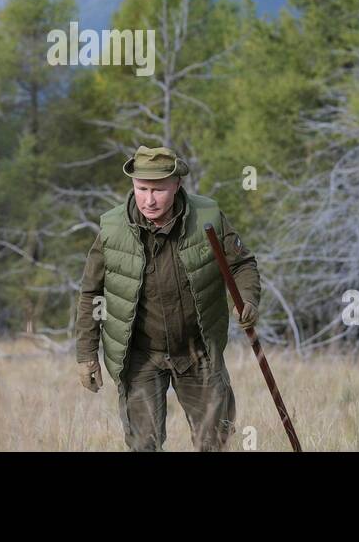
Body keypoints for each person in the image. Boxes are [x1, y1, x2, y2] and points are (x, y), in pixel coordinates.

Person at [75, 145, 261, 451]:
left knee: (215, 442)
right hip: (140, 354)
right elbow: (91, 293)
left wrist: (248, 299)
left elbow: (241, 264)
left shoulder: (208, 217)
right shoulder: (112, 229)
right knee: (143, 445)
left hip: (198, 349)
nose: (149, 199)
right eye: (141, 188)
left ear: (177, 184)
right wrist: (86, 355)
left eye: (158, 190)